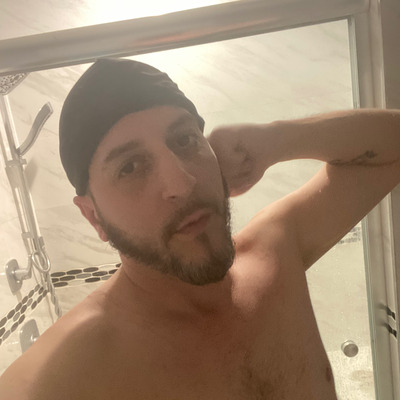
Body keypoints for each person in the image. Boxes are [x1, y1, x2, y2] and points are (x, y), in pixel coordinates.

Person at [0, 57, 399, 400]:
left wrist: (277, 140)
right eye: (131, 167)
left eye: (184, 140)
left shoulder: (275, 251)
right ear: (93, 217)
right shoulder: (68, 372)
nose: (182, 182)